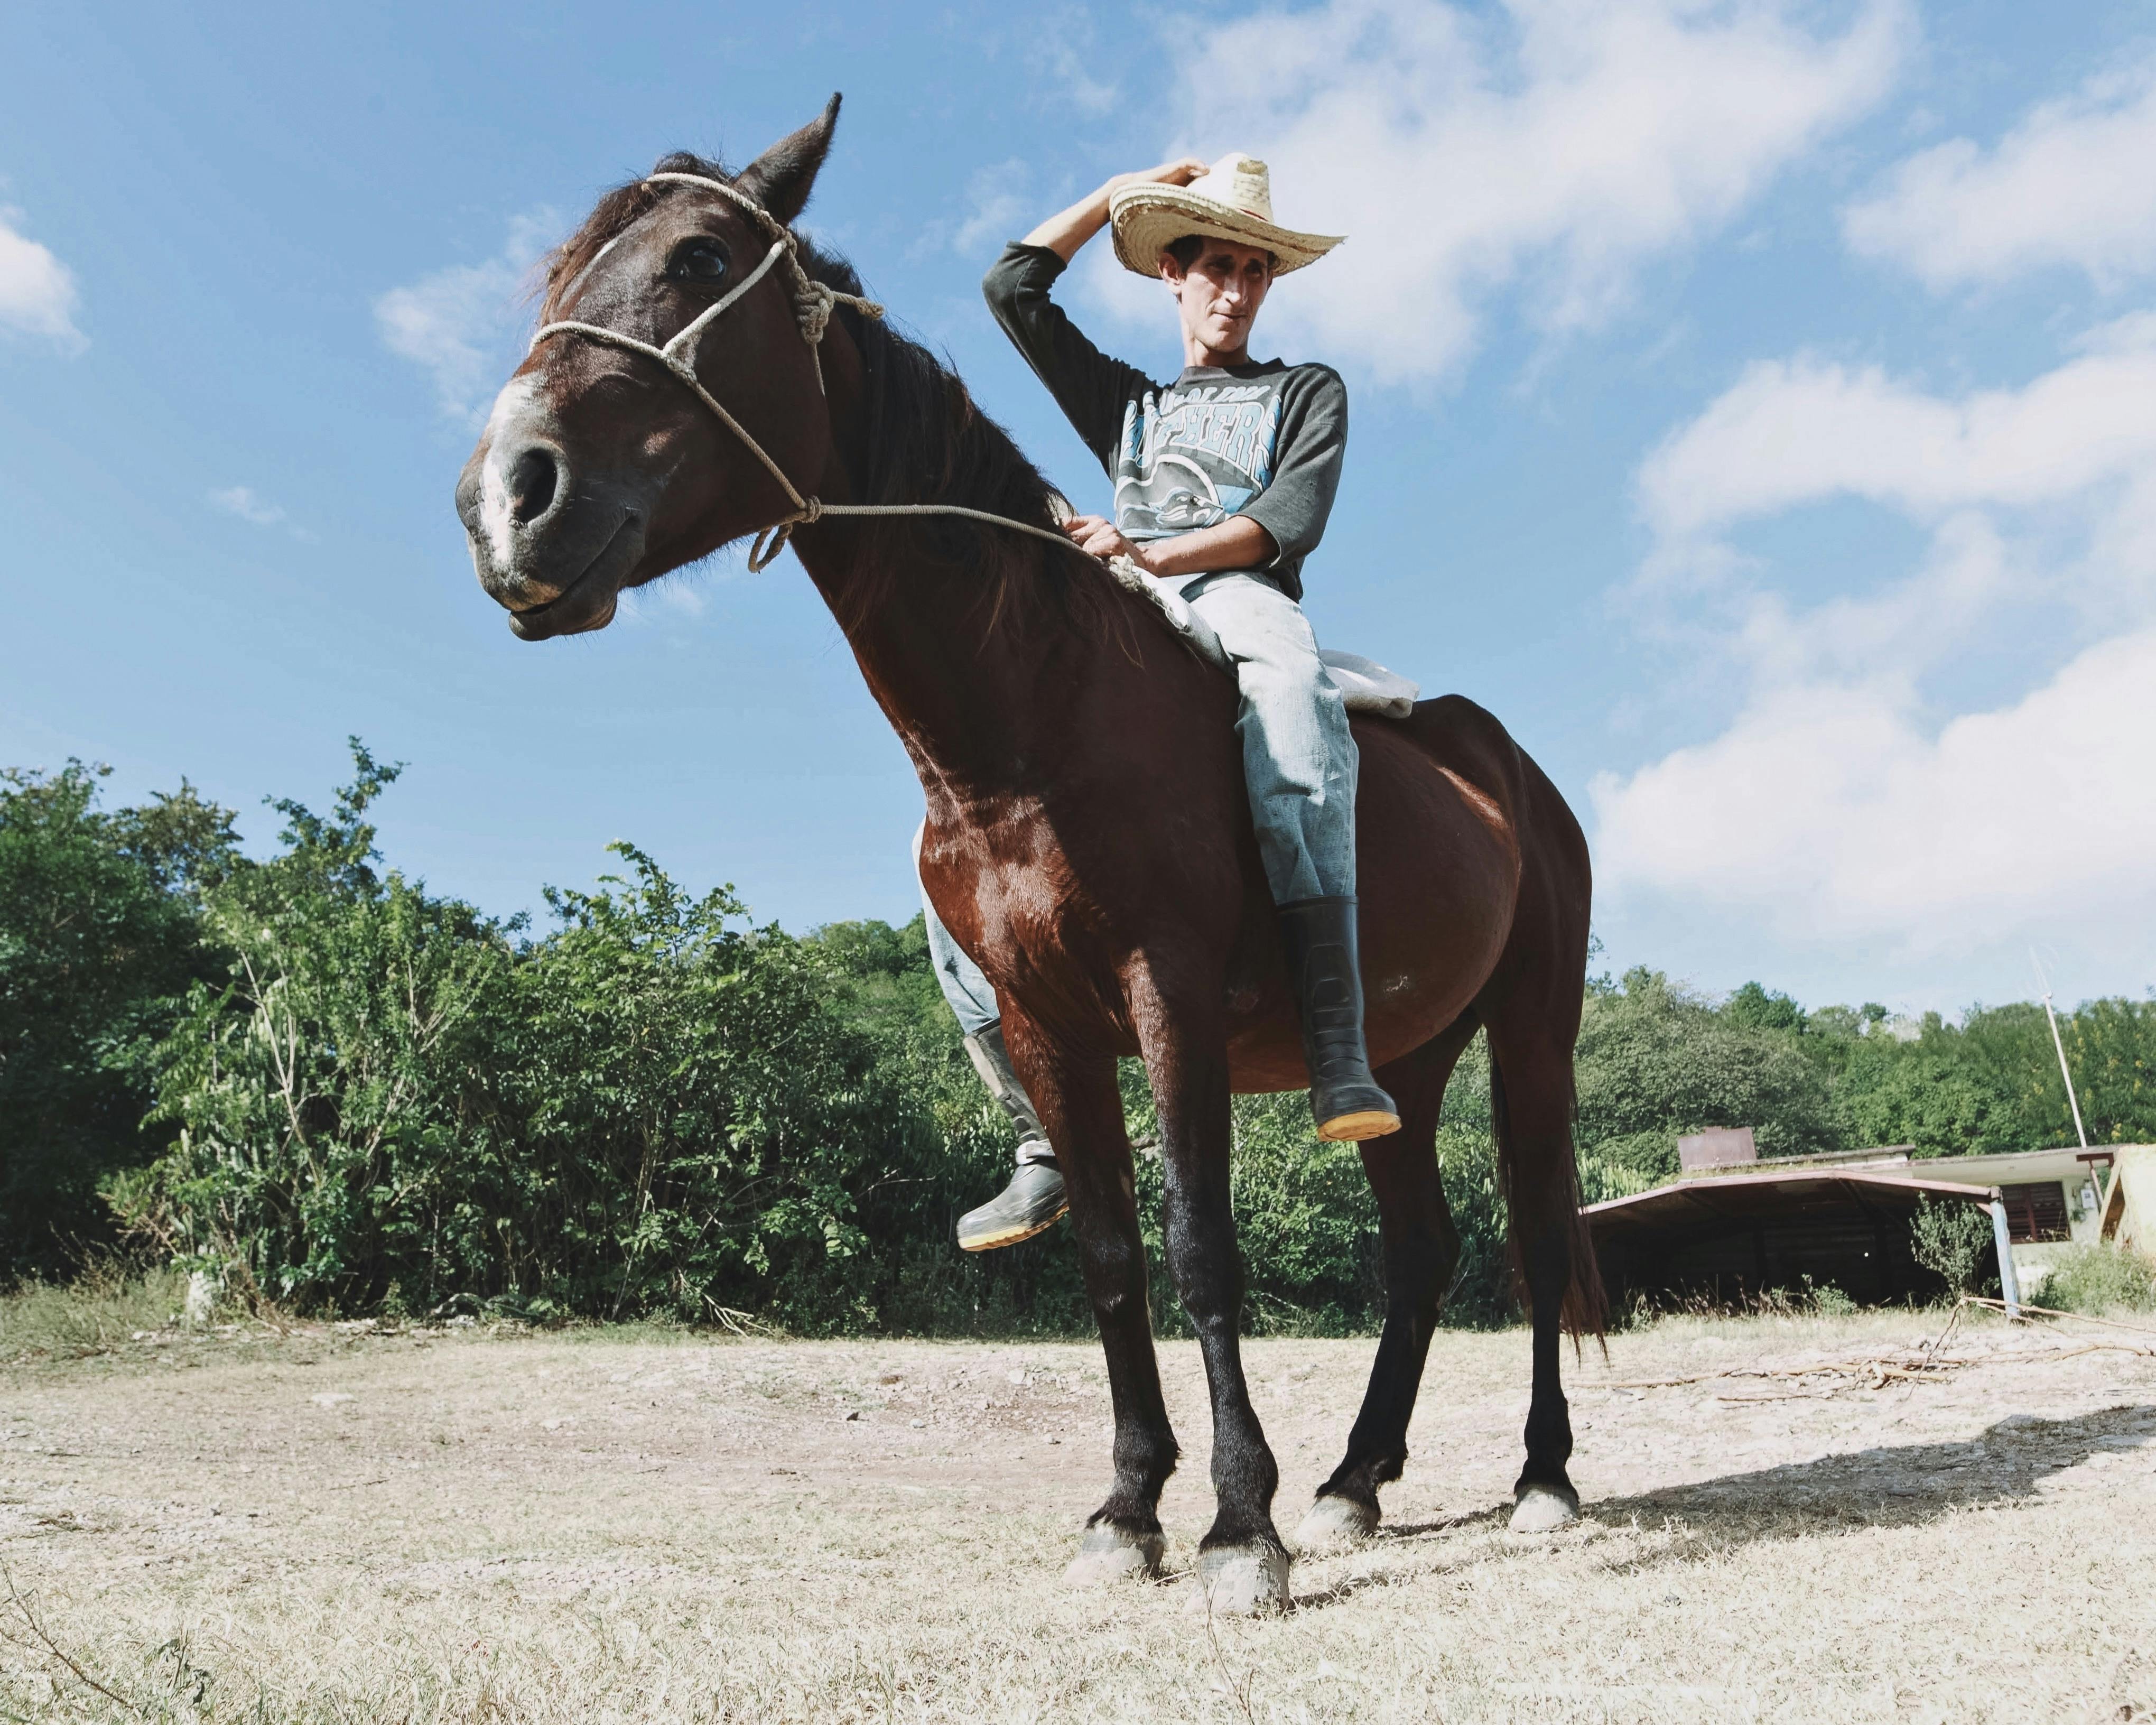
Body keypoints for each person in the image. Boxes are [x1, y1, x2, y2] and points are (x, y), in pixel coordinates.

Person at [936, 153, 1400, 1255]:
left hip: (1233, 594)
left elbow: (1284, 522)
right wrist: (1118, 191)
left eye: (1254, 272)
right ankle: (1039, 1142)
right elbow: (1011, 289)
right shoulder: (1132, 408)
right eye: (1215, 269)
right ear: (1172, 277)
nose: (1235, 291)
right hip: (1120, 603)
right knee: (961, 806)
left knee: (1291, 695)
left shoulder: (1306, 390)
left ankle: (1338, 1042)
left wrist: (1148, 551)